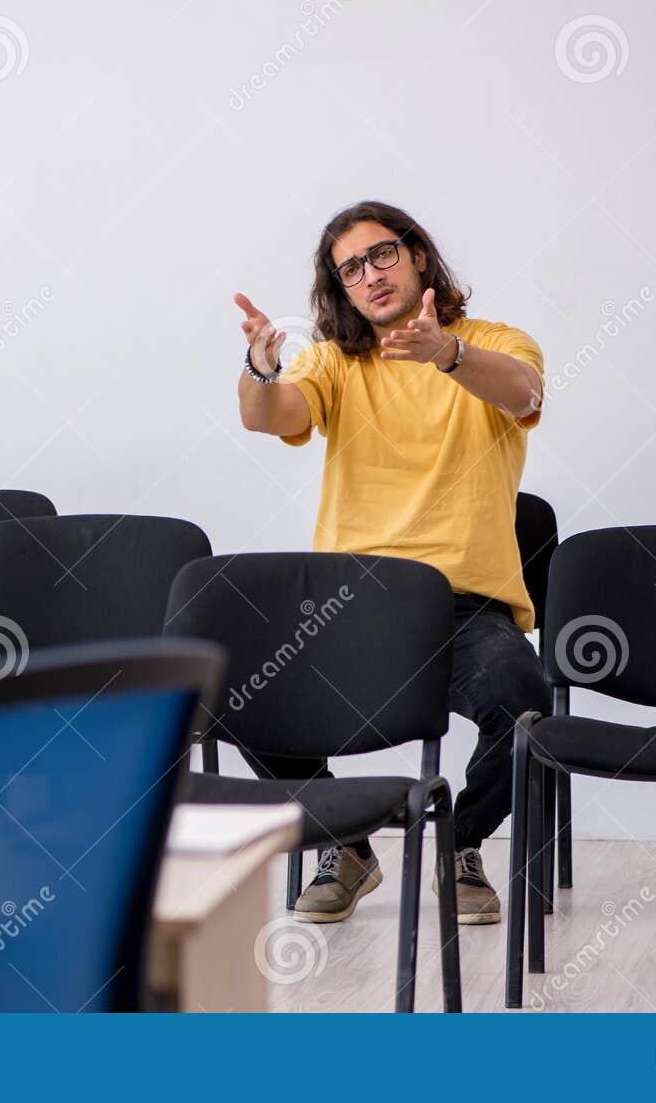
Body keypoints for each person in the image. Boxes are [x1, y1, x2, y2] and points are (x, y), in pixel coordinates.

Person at [233, 199, 548, 926]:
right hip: (354, 604)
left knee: (525, 702)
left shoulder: (495, 341)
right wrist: (258, 364)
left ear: (416, 256)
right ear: (340, 290)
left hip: (463, 605)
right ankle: (345, 844)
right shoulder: (334, 364)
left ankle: (457, 846)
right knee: (237, 683)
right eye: (349, 269)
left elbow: (525, 393)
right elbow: (269, 415)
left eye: (380, 255)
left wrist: (446, 354)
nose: (368, 275)